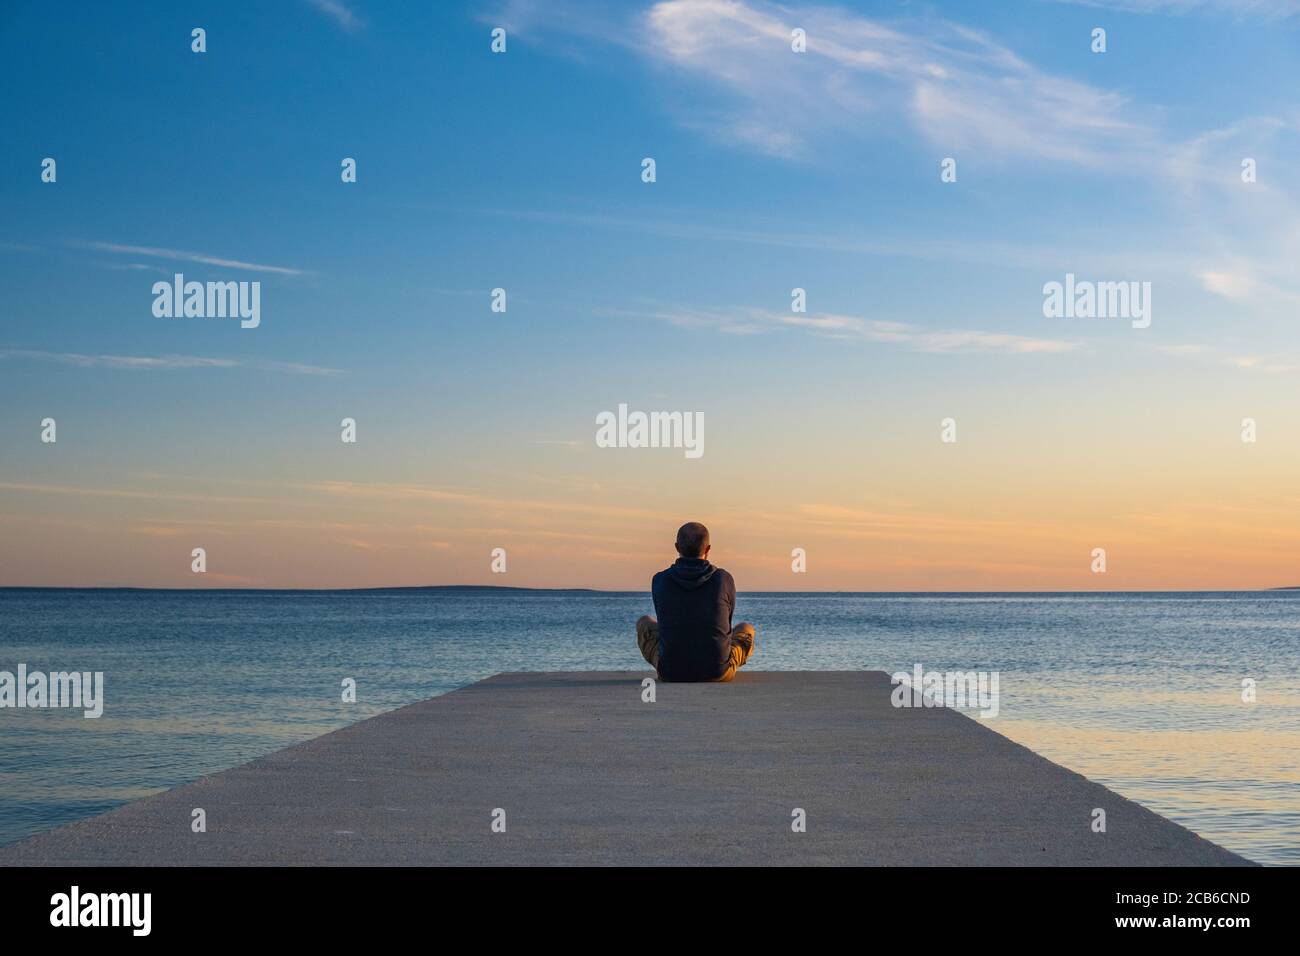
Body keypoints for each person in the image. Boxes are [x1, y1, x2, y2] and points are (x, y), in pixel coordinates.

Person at [636, 522, 756, 682]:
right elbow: (727, 621)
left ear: (677, 547)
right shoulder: (723, 579)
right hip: (717, 671)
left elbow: (664, 621)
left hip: (671, 672)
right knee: (746, 629)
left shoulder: (660, 579)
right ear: (707, 549)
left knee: (644, 622)